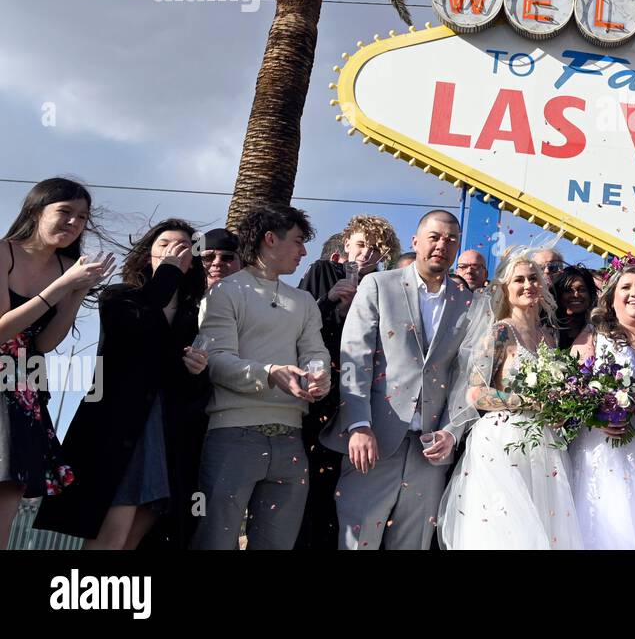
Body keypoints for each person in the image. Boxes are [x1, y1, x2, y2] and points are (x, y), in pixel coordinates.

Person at [35, 218, 210, 549]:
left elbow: (182, 381)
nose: (174, 251)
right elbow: (133, 334)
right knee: (113, 524)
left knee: (140, 524)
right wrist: (168, 273)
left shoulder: (193, 314)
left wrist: (196, 369)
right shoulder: (120, 297)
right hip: (119, 425)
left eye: (184, 247)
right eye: (165, 245)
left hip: (166, 429)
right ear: (147, 255)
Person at [323, 209, 479, 550]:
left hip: (431, 449)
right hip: (374, 440)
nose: (442, 245)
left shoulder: (469, 303)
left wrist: (452, 432)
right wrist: (358, 424)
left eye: (451, 240)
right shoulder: (379, 285)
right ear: (416, 241)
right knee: (358, 541)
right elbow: (355, 357)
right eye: (434, 237)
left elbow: (466, 376)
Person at [191, 204, 330, 550]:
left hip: (292, 438)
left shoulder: (304, 301)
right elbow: (216, 361)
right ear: (270, 239)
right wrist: (269, 373)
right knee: (214, 541)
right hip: (232, 435)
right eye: (297, 241)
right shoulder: (224, 292)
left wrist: (319, 375)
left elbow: (315, 352)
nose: (303, 251)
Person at [438, 248, 583, 549]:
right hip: (504, 440)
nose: (528, 285)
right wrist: (528, 402)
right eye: (519, 280)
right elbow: (475, 393)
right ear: (505, 288)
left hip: (544, 441)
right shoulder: (500, 332)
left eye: (533, 278)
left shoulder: (549, 336)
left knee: (545, 525)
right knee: (508, 529)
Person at [0, 177, 115, 548]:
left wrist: (77, 293)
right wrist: (61, 287)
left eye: (82, 217)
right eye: (65, 211)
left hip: (25, 391)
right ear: (36, 210)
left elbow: (45, 342)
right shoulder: (4, 252)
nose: (74, 222)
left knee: (11, 487)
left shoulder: (68, 266)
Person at [295, 213, 400, 550]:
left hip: (361, 395)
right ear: (347, 244)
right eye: (361, 244)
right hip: (319, 391)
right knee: (308, 478)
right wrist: (330, 302)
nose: (366, 253)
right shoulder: (323, 271)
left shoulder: (385, 286)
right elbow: (297, 323)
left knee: (340, 484)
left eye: (376, 249)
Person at [569, 265, 635, 550]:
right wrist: (597, 415)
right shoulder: (594, 337)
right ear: (611, 298)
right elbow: (571, 389)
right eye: (625, 287)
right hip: (605, 446)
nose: (634, 293)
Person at [548, 264, 596, 350]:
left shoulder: (601, 330)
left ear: (590, 294)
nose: (576, 295)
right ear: (559, 295)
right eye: (568, 290)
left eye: (582, 290)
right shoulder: (547, 330)